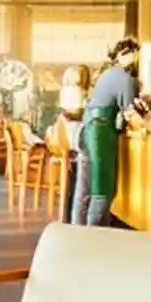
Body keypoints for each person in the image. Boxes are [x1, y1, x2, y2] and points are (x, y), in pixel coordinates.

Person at [72, 38, 141, 227]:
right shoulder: (127, 80)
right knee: (102, 188)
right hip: (101, 131)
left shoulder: (105, 74)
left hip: (86, 127)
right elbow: (131, 113)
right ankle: (97, 237)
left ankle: (76, 234)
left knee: (84, 189)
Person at [56, 65, 92, 223]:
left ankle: (70, 219)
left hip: (69, 140)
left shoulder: (65, 92)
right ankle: (79, 221)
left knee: (75, 185)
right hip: (78, 140)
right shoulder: (81, 95)